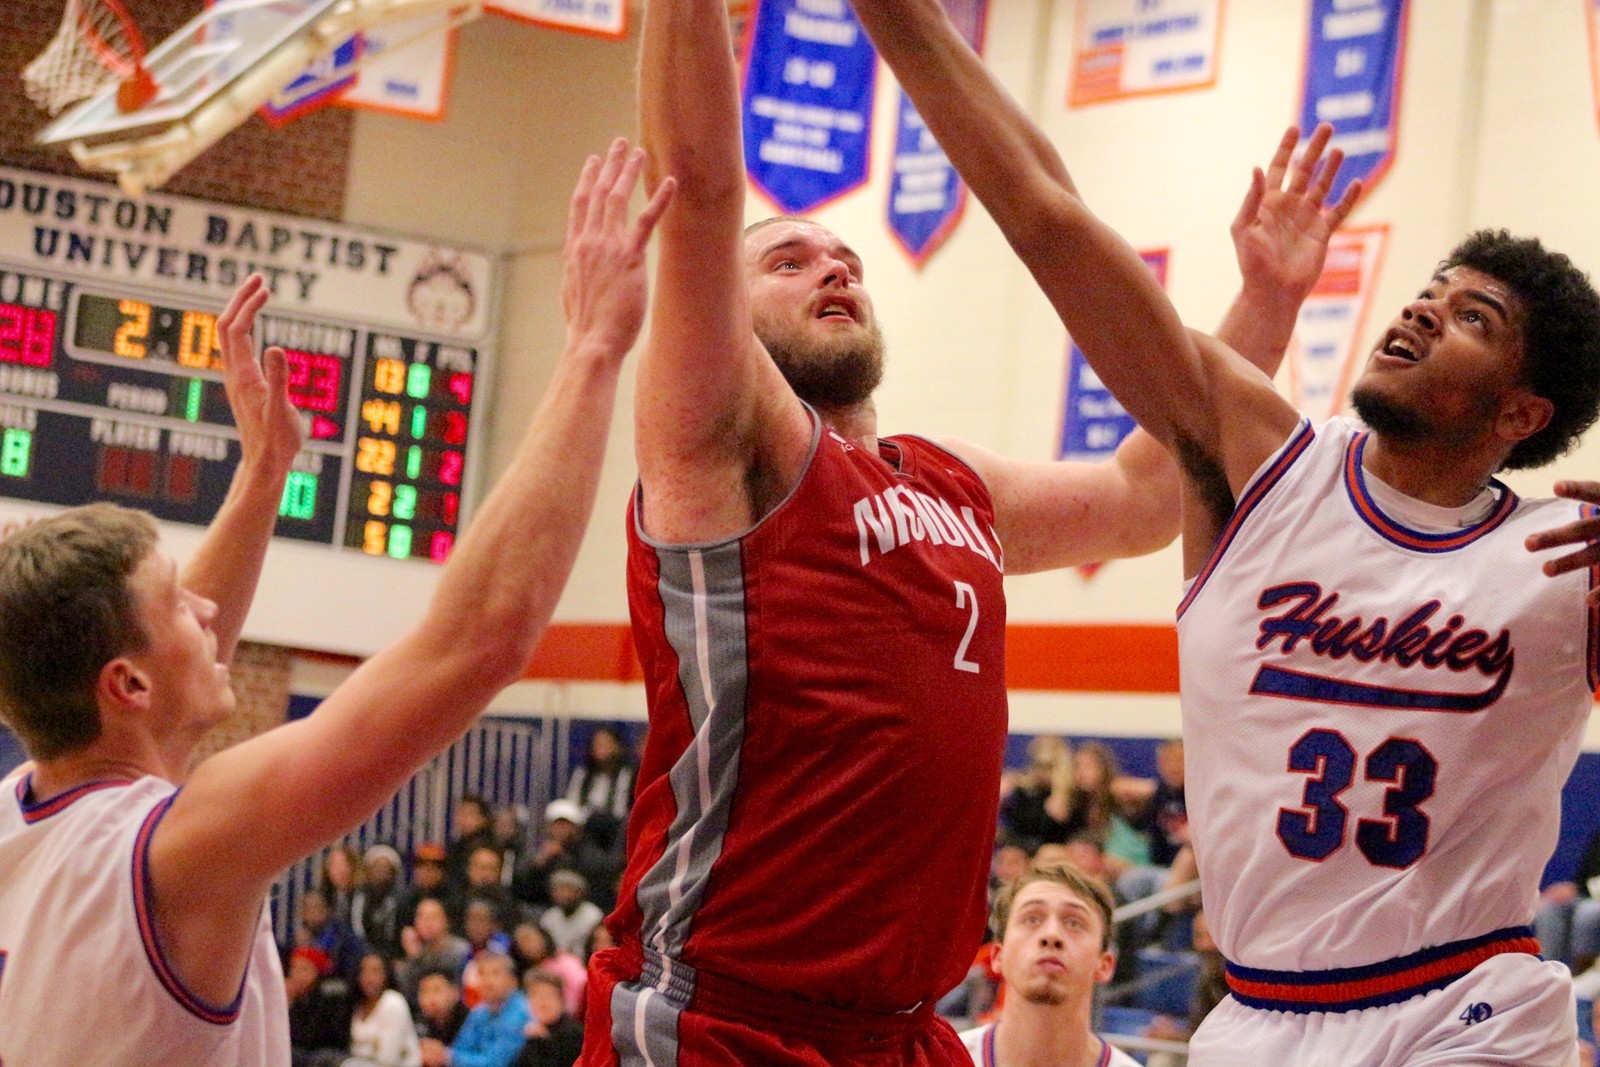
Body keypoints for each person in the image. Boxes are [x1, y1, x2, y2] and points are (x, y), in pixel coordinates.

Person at [584, 3, 1353, 1064]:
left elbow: (1142, 496)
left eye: (845, 256)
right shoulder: (729, 447)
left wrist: (1267, 298)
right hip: (728, 1014)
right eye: (791, 260)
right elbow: (704, 195)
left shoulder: (947, 477)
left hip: (902, 1029)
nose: (834, 268)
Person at [847, 0, 1600, 1061]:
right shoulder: (1259, 466)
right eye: (1430, 291)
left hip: (1465, 1001)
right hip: (1257, 1015)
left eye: (1473, 316)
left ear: (1520, 414)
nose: (1425, 309)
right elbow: (1047, 215)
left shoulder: (1561, 559)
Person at [0, 143, 675, 1066]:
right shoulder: (179, 846)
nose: (207, 612)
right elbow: (478, 639)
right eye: (177, 606)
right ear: (125, 683)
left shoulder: (22, 814)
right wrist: (595, 348)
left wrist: (264, 472)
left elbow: (180, 644)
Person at [958, 863, 1138, 1067]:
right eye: (1032, 919)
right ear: (998, 956)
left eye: (1074, 923)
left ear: (1104, 965)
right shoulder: (943, 1061)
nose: (1051, 934)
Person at [423, 953, 530, 1067]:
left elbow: (497, 1062)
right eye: (482, 974)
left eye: (495, 973)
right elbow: (461, 1047)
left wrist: (447, 1056)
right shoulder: (479, 1011)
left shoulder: (522, 1011)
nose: (487, 981)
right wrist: (440, 1054)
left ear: (512, 980)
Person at [346, 951, 422, 1067]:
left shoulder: (393, 1002)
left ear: (387, 974)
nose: (369, 977)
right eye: (364, 971)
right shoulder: (357, 1005)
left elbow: (388, 1059)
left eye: (375, 971)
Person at [514, 971, 585, 1067]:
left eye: (549, 995)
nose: (542, 1002)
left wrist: (542, 1041)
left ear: (562, 1001)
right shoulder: (534, 1031)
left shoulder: (572, 1033)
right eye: (536, 995)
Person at [414, 969, 471, 1049]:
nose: (430, 997)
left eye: (437, 990)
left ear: (454, 992)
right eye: (425, 991)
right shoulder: (419, 1024)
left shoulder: (470, 1020)